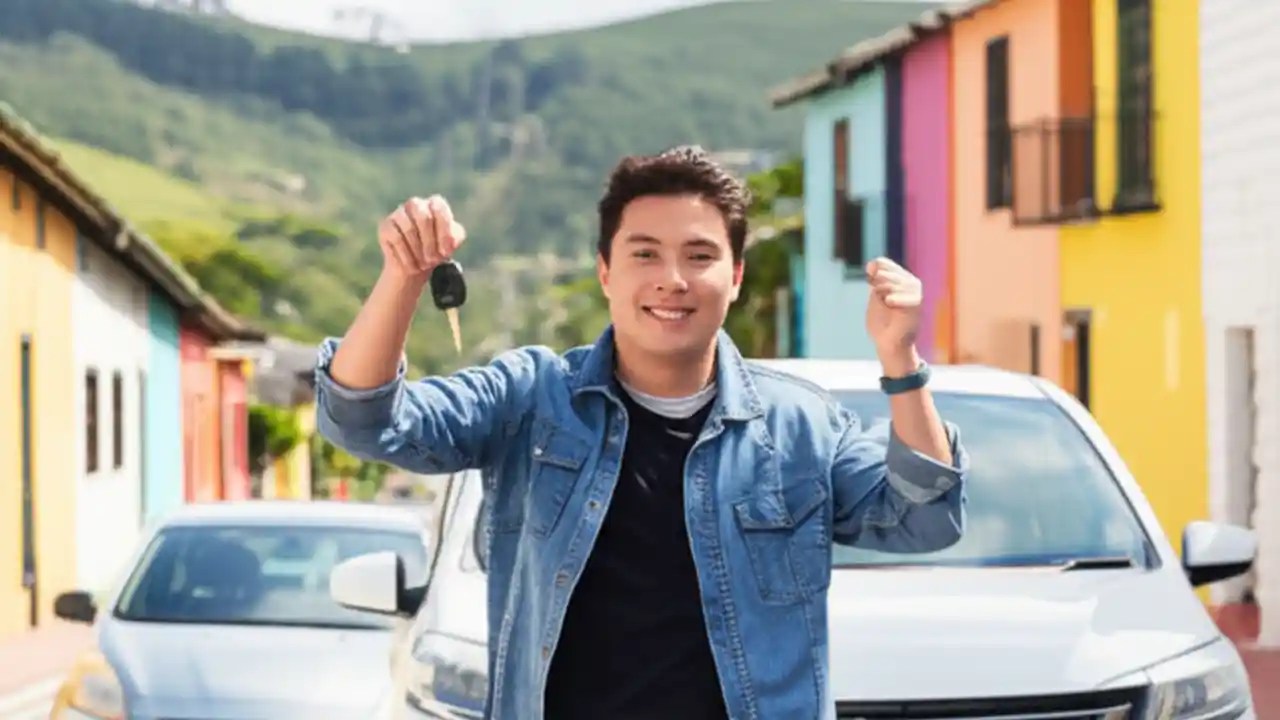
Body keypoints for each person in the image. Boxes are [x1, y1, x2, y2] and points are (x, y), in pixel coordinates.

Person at [315, 146, 969, 720]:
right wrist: (403, 276)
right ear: (606, 272)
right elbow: (368, 421)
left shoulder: (800, 424)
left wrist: (900, 361)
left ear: (735, 276)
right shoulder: (531, 399)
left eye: (700, 256)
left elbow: (927, 517)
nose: (672, 280)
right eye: (645, 254)